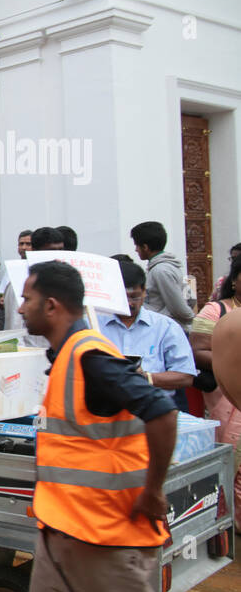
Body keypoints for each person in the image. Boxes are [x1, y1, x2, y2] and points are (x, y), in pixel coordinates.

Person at [17, 261, 234, 592]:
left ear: (51, 306)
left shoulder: (91, 359)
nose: (20, 308)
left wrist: (154, 489)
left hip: (107, 538)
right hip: (69, 533)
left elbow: (161, 410)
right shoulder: (70, 357)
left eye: (27, 299)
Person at [190, 254, 241, 525]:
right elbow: (198, 351)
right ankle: (228, 519)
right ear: (234, 280)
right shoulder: (215, 311)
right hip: (226, 392)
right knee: (231, 452)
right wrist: (233, 362)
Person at [99, 260, 195, 391]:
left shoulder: (166, 327)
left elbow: (185, 376)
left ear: (144, 291)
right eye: (123, 298)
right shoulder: (93, 325)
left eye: (134, 297)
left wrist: (146, 378)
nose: (130, 304)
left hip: (154, 408)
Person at [131, 221, 193, 329]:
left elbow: (178, 307)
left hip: (166, 329)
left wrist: (192, 319)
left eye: (137, 245)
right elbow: (189, 298)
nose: (136, 249)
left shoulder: (161, 271)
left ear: (145, 247)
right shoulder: (165, 266)